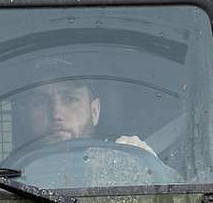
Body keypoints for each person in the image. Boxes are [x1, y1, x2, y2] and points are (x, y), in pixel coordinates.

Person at [13, 66, 151, 157]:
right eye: (40, 102)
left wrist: (145, 161)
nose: (56, 114)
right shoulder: (3, 179)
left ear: (95, 111)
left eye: (70, 99)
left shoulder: (124, 161)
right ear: (24, 115)